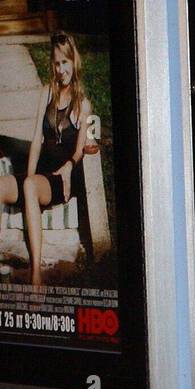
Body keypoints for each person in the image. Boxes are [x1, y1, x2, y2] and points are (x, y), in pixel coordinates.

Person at [0, 30, 91, 288]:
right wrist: (29, 173)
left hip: (57, 179)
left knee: (30, 186)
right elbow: (37, 140)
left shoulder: (81, 104)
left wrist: (68, 168)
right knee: (4, 184)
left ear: (74, 62)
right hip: (39, 174)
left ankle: (36, 275)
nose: (61, 69)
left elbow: (79, 150)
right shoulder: (46, 93)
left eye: (65, 62)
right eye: (57, 63)